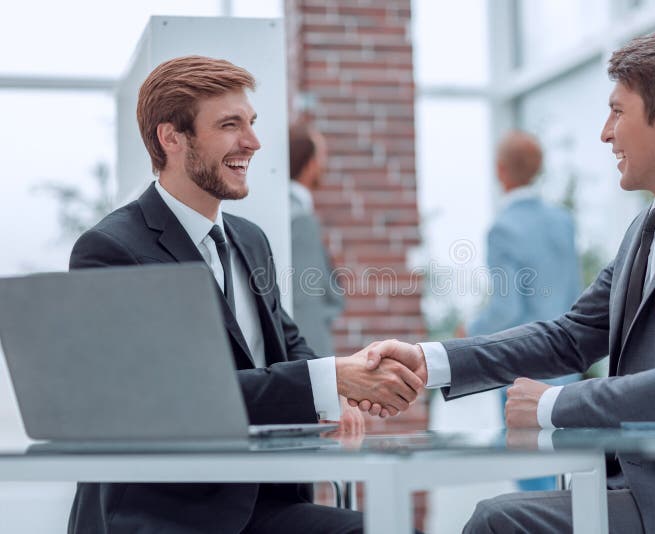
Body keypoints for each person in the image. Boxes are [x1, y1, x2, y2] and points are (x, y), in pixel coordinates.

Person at [358, 27, 655, 533]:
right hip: (634, 488)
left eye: (618, 111)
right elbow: (569, 337)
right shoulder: (646, 228)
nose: (605, 133)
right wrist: (430, 360)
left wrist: (553, 404)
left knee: (498, 521)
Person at [67, 55, 423, 534]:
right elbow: (172, 399)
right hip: (166, 515)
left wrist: (342, 389)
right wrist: (329, 380)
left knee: (390, 528)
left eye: (251, 124)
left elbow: (286, 342)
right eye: (230, 125)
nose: (253, 143)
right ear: (171, 137)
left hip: (264, 501)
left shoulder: (250, 239)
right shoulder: (112, 249)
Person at [463, 130, 582, 492]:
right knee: (564, 472)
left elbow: (506, 306)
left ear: (501, 171)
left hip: (523, 366)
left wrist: (470, 331)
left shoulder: (503, 229)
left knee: (533, 480)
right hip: (567, 363)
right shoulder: (563, 221)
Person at [288, 122, 344, 357]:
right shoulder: (298, 218)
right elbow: (306, 301)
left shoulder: (289, 211)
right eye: (322, 156)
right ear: (309, 163)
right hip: (308, 354)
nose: (324, 165)